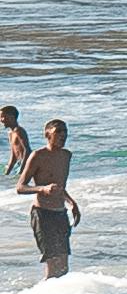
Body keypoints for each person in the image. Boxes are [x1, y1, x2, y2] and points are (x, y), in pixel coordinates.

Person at [17, 119, 80, 279]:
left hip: (60, 213)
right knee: (52, 266)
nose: (63, 135)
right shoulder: (38, 156)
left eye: (65, 131)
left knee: (64, 267)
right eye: (58, 131)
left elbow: (60, 187)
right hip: (42, 214)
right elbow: (20, 187)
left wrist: (72, 203)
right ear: (47, 135)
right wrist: (42, 188)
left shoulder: (66, 155)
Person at [2, 105, 31, 177]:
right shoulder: (10, 133)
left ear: (11, 117)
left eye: (3, 117)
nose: (1, 120)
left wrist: (22, 170)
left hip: (26, 163)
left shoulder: (19, 131)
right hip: (19, 164)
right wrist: (7, 172)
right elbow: (14, 155)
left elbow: (27, 150)